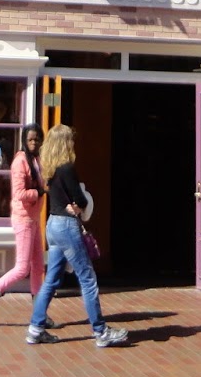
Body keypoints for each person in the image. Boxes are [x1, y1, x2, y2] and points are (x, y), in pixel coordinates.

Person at [25, 123, 128, 348]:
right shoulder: (67, 167)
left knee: (51, 280)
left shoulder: (50, 169)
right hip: (66, 226)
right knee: (88, 279)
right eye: (70, 140)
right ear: (65, 143)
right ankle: (100, 331)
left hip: (52, 224)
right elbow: (80, 199)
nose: (73, 143)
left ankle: (35, 328)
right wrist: (78, 205)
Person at [0, 125, 47, 326]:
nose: (34, 143)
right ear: (24, 140)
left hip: (34, 218)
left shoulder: (36, 161)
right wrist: (39, 192)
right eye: (31, 139)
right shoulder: (20, 162)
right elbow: (20, 194)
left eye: (37, 140)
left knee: (39, 266)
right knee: (23, 268)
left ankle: (39, 314)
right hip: (23, 219)